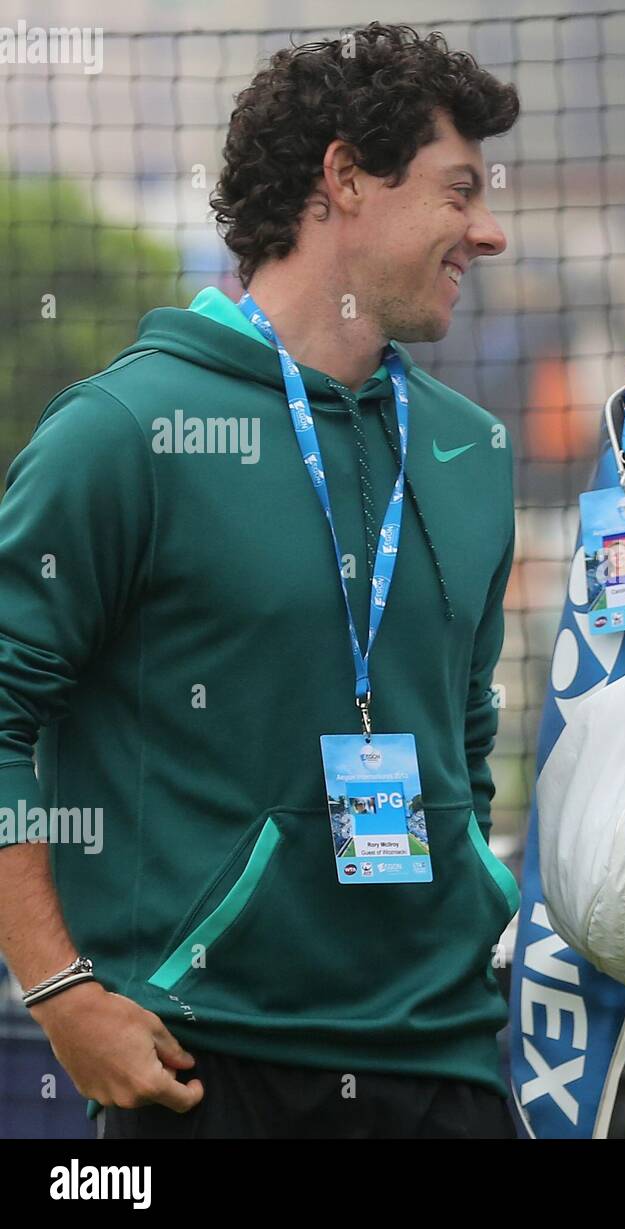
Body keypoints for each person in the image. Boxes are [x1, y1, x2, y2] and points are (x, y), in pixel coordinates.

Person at [0, 23, 522, 1139]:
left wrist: (472, 878)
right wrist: (56, 989)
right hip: (197, 1067)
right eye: (457, 191)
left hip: (448, 1061)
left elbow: (462, 732)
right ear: (344, 178)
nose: (489, 231)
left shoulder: (472, 451)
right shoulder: (123, 432)